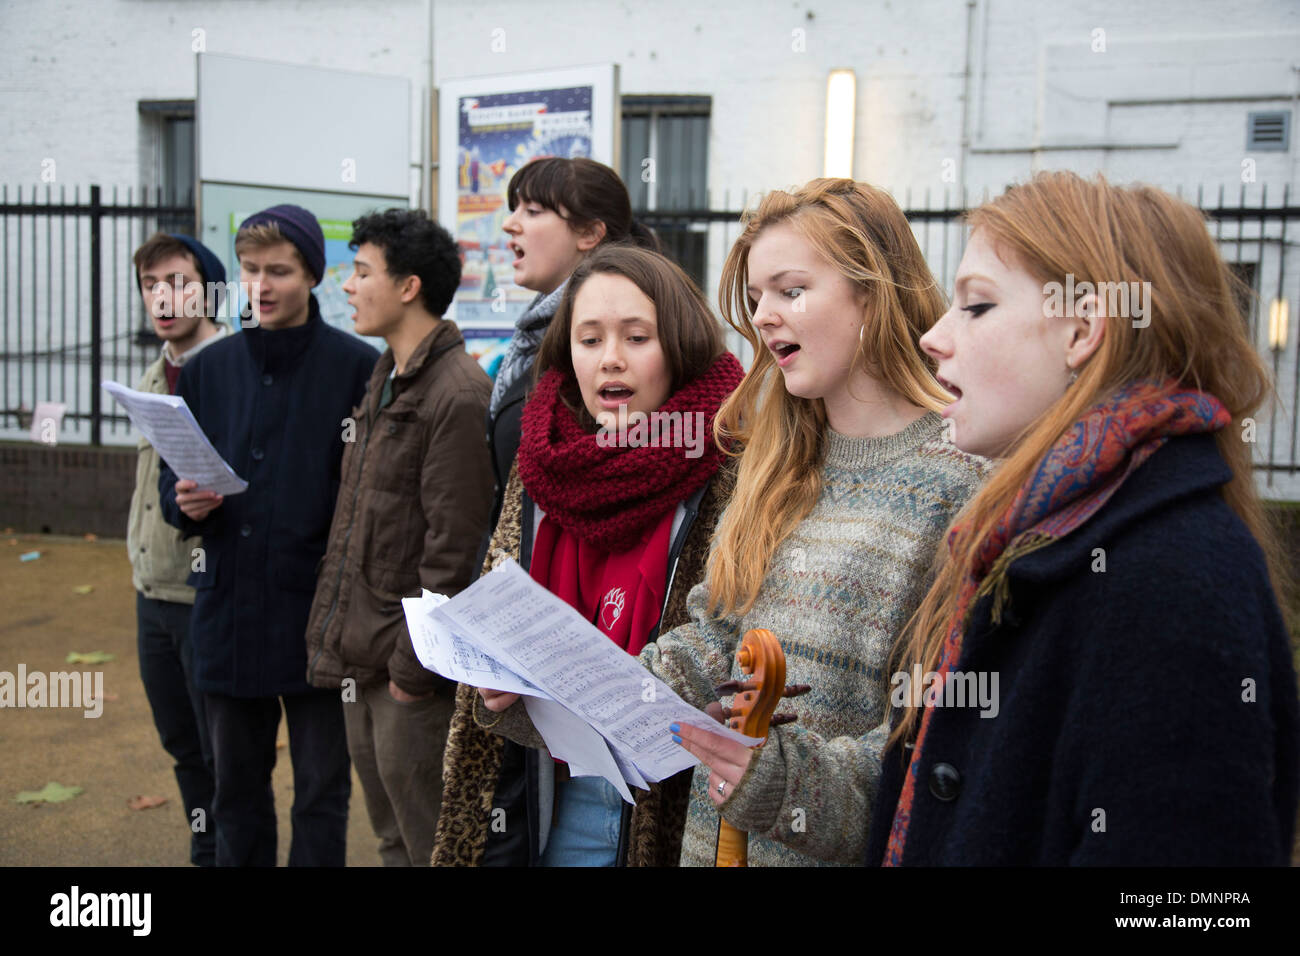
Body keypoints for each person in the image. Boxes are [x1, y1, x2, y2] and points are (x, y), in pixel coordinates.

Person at [863, 171, 1299, 866]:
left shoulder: (1174, 575)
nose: (933, 338)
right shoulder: (1032, 535)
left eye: (976, 305)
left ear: (1083, 330)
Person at [645, 178, 990, 866]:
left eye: (790, 290)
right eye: (754, 300)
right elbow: (720, 638)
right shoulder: (771, 468)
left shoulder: (961, 483)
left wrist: (775, 780)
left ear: (873, 290)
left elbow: (927, 746)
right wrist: (578, 690)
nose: (764, 316)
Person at [434, 244, 745, 866]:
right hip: (545, 797)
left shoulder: (735, 466)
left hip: (667, 809)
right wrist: (495, 682)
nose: (610, 360)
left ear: (680, 345)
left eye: (636, 337)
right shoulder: (542, 462)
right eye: (589, 338)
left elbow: (736, 649)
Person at [159, 204, 379, 867]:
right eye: (251, 270)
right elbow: (176, 492)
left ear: (311, 274)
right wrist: (186, 505)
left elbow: (369, 496)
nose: (262, 285)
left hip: (319, 616)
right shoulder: (207, 371)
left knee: (320, 790)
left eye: (279, 270)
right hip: (229, 611)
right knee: (235, 791)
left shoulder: (358, 367)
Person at [471, 156, 660, 863]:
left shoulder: (650, 413)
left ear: (591, 234)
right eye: (588, 340)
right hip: (539, 716)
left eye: (531, 209)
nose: (511, 225)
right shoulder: (527, 350)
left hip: (619, 749)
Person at [304, 209, 494, 866]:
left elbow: (456, 548)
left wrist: (414, 676)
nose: (348, 287)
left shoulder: (458, 392)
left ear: (408, 286)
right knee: (390, 840)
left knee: (429, 847)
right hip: (364, 659)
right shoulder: (385, 375)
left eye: (361, 272)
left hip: (407, 675)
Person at [128, 232, 228, 866]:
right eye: (150, 285)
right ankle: (204, 848)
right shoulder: (152, 372)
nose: (163, 297)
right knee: (180, 744)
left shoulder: (232, 370)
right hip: (150, 588)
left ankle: (229, 852)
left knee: (222, 748)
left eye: (178, 282)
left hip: (204, 592)